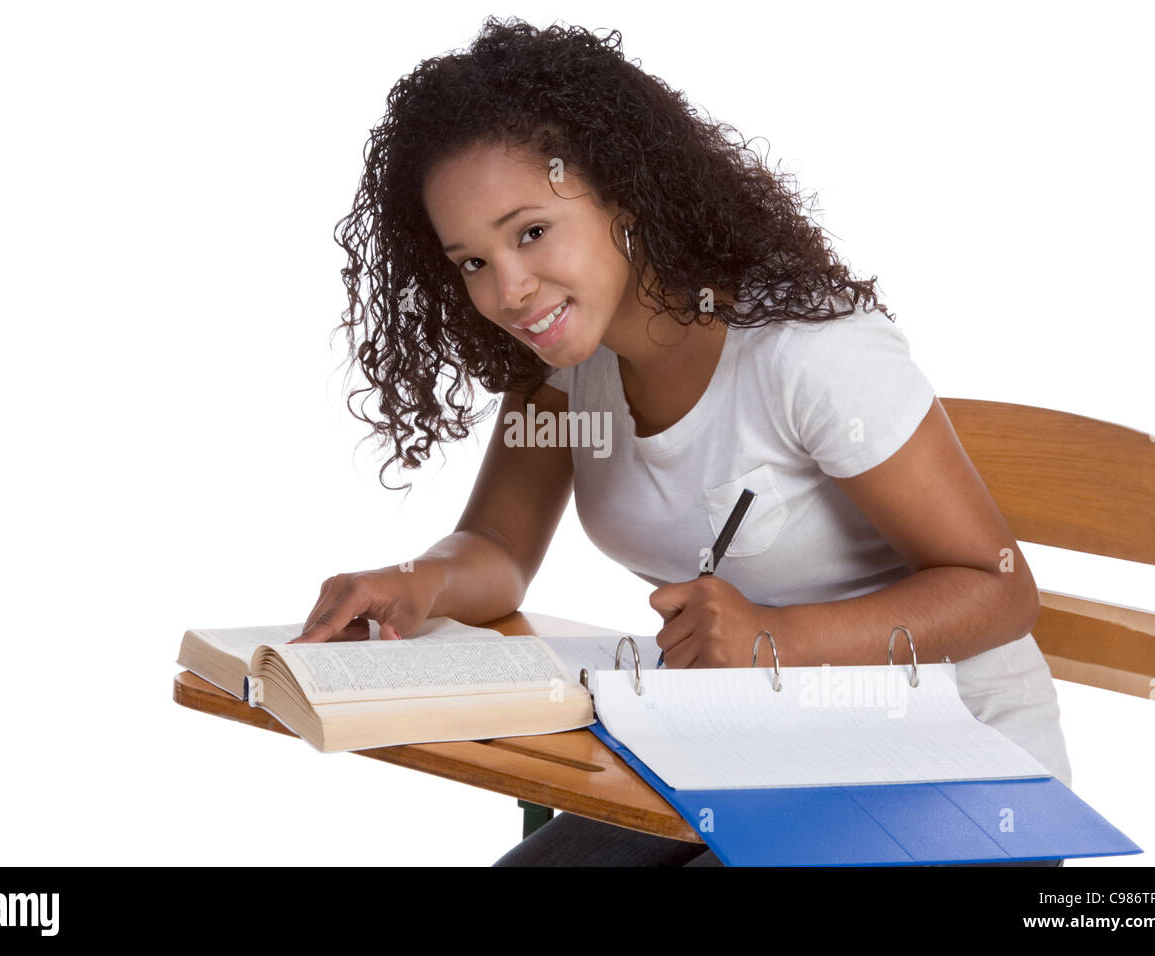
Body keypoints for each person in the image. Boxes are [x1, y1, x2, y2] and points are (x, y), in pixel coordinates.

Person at [288, 17, 1070, 867]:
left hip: (959, 769)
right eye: (471, 261)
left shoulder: (806, 352)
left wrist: (778, 638)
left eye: (531, 232)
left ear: (624, 195)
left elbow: (1000, 593)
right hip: (754, 748)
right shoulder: (566, 368)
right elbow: (499, 547)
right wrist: (418, 584)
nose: (510, 290)